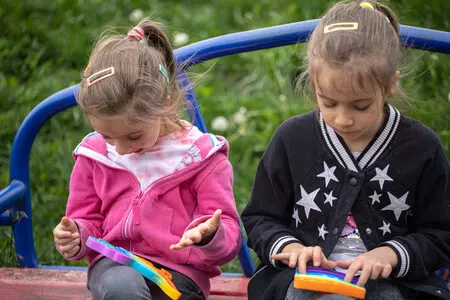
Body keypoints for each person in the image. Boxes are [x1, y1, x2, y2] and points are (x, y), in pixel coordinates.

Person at [241, 1, 450, 299]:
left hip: (393, 284)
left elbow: (441, 234)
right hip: (300, 279)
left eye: (360, 105)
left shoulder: (421, 148)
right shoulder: (292, 139)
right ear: (314, 84)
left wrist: (389, 255)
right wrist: (292, 248)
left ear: (391, 84)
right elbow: (259, 219)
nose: (343, 119)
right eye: (328, 103)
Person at [52, 18, 241, 300]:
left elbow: (227, 233)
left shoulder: (203, 158)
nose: (122, 150)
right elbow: (86, 219)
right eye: (107, 136)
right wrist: (77, 236)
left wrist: (209, 236)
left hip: (181, 272)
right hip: (115, 264)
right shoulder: (94, 155)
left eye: (133, 137)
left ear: (164, 102)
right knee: (121, 287)